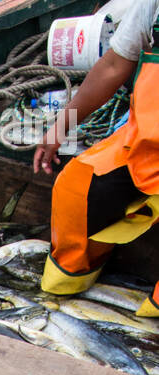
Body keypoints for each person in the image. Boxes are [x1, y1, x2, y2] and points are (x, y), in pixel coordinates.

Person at [34, 0, 159, 315]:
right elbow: (114, 66)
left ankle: (150, 322)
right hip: (146, 145)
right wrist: (61, 126)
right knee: (78, 187)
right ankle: (60, 294)